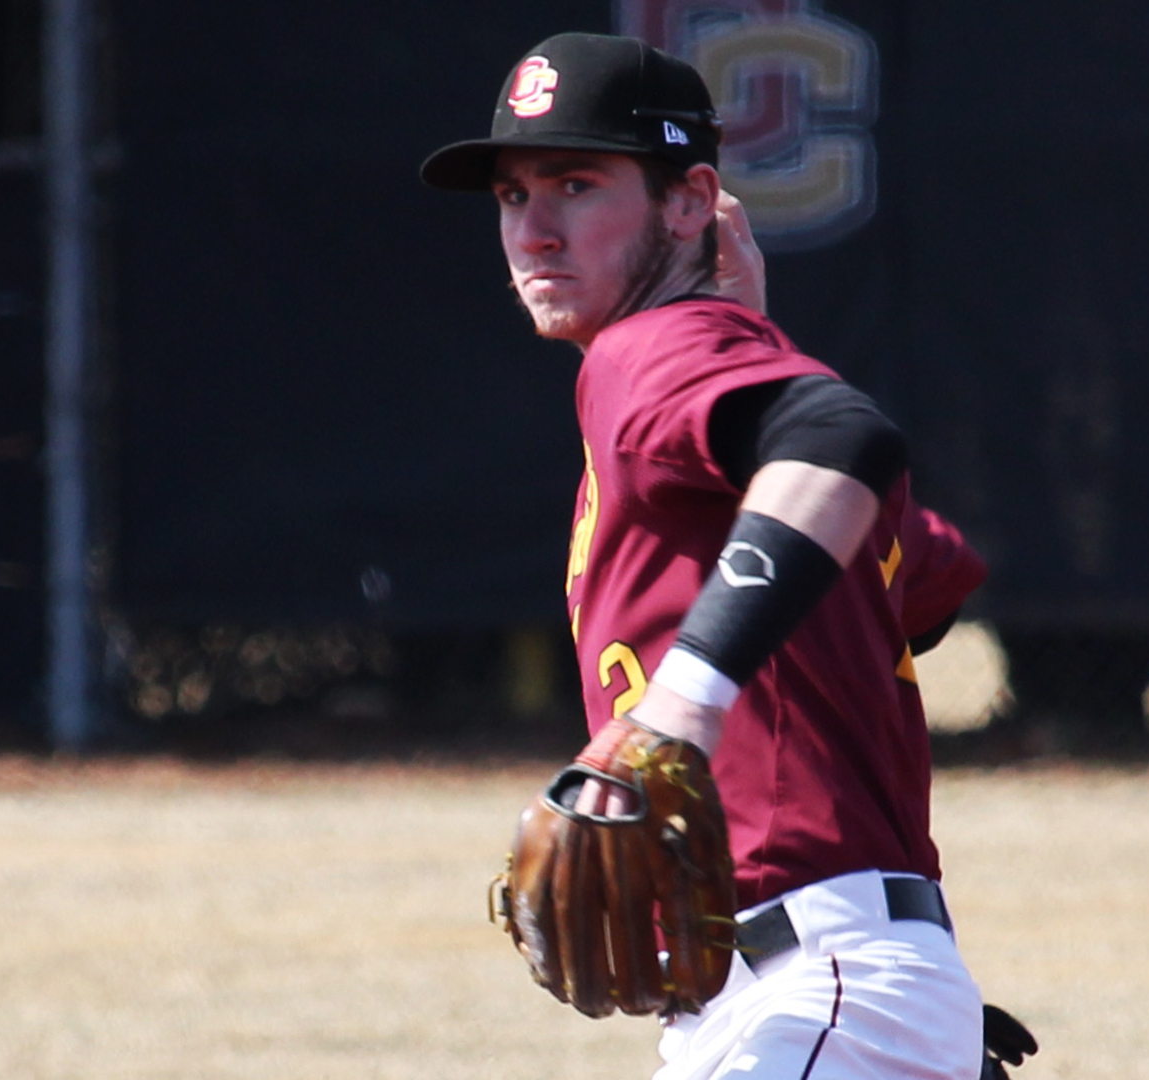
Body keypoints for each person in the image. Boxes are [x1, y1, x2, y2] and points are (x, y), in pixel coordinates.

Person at [421, 32, 994, 1080]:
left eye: (577, 185)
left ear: (690, 202)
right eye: (511, 196)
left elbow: (841, 441)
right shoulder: (694, 374)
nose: (534, 232)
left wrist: (685, 700)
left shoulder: (647, 352)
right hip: (818, 983)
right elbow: (920, 583)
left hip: (812, 977)